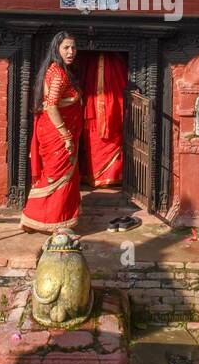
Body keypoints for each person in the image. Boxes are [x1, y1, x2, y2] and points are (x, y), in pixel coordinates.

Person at [21, 32, 84, 232]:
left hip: (54, 132)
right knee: (56, 176)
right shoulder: (58, 73)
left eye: (73, 47)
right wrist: (65, 135)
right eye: (66, 47)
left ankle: (34, 219)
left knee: (55, 176)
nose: (71, 51)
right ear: (56, 49)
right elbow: (51, 106)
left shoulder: (61, 70)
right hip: (58, 136)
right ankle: (53, 222)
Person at [80, 52, 128, 189]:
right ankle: (96, 175)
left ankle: (111, 176)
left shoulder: (116, 61)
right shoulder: (89, 62)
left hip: (112, 109)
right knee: (93, 141)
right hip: (93, 110)